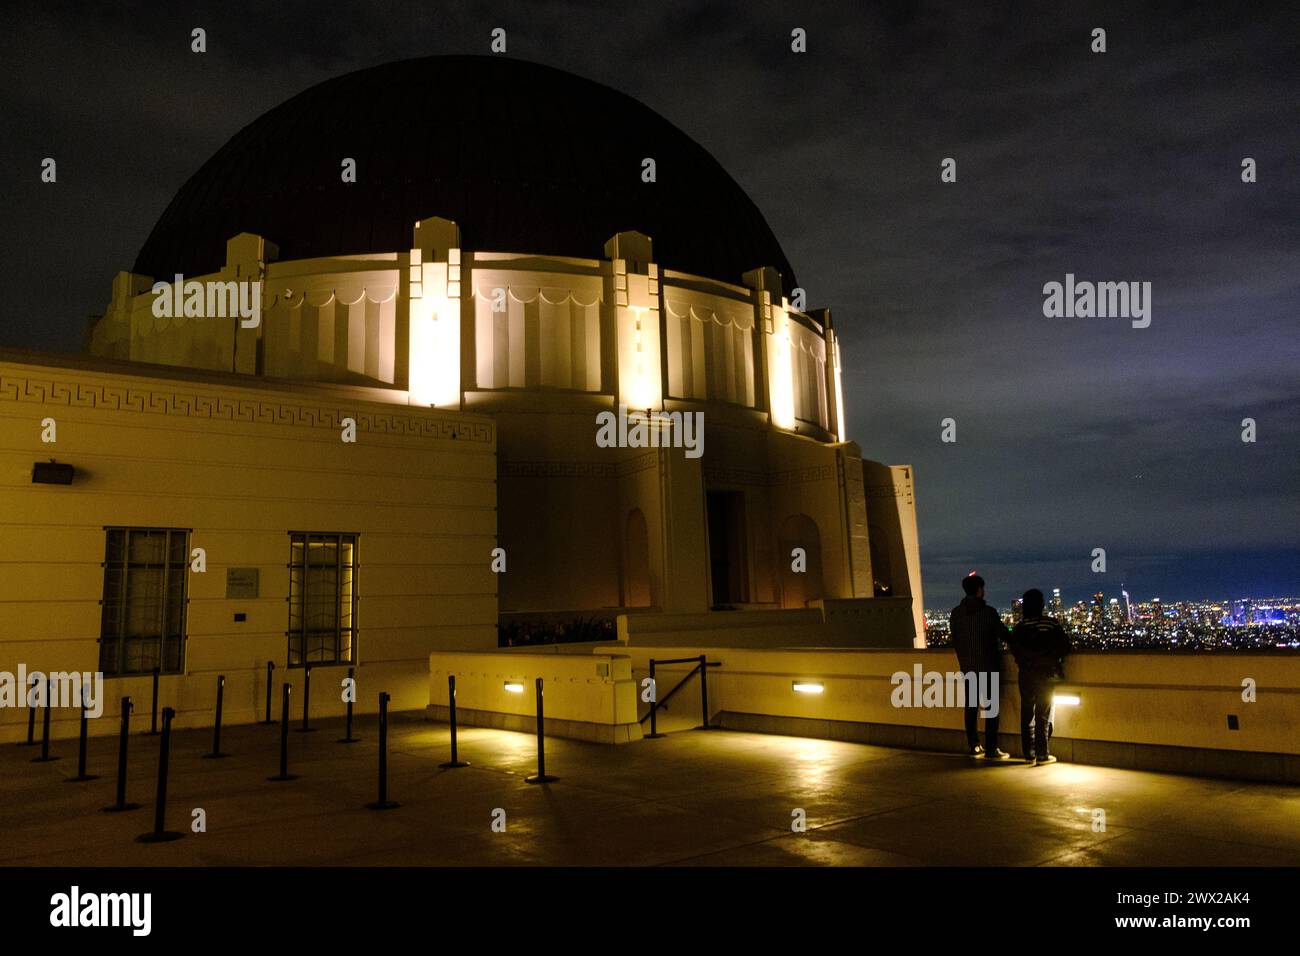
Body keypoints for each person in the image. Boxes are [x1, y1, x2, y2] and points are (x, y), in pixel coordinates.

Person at [1007, 588, 1072, 765]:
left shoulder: (1020, 627)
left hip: (1026, 674)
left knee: (1027, 711)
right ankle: (1043, 753)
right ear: (1041, 604)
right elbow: (1065, 646)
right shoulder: (1051, 624)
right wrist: (1049, 658)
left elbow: (1015, 649)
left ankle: (1029, 753)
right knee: (1043, 712)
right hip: (1046, 673)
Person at [948, 573, 1008, 758]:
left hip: (968, 666)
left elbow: (956, 640)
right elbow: (1004, 634)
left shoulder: (956, 613)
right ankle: (991, 748)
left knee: (971, 706)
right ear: (979, 590)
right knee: (991, 709)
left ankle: (973, 745)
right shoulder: (988, 612)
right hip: (988, 665)